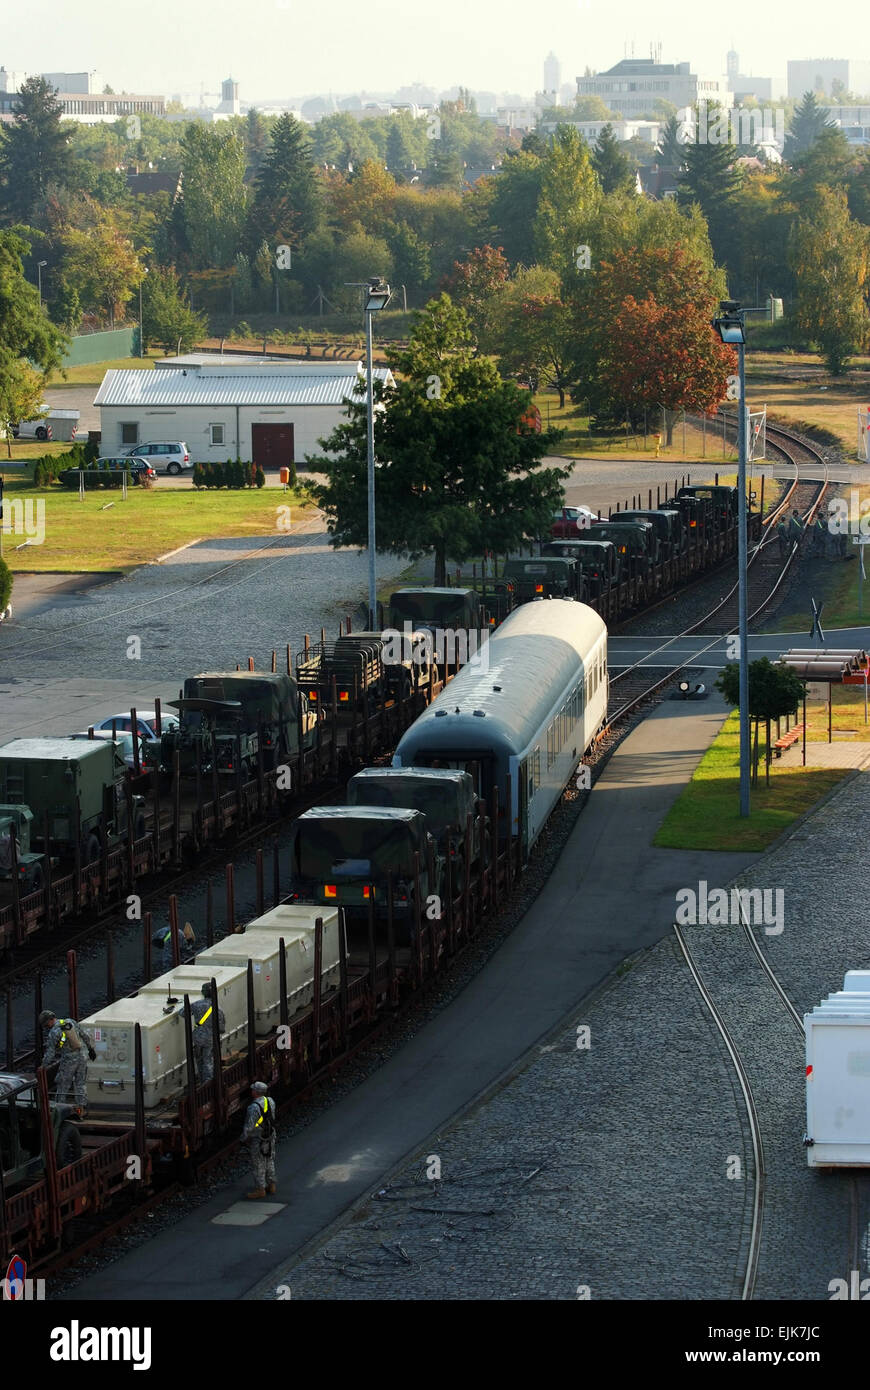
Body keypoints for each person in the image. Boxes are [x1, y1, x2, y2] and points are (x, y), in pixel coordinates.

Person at [40, 1009, 96, 1109]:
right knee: (80, 1084)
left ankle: (59, 1109)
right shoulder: (70, 1021)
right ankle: (82, 1108)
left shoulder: (54, 1032)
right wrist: (90, 1049)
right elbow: (84, 1035)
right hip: (82, 1058)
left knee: (62, 1085)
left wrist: (43, 1066)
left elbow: (50, 1053)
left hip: (68, 1061)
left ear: (49, 1020)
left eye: (45, 1024)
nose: (46, 1026)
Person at [180, 981, 225, 1083]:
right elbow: (222, 1028)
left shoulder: (196, 1005)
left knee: (199, 1060)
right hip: (211, 1039)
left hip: (198, 1038)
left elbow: (182, 1013)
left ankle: (201, 1080)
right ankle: (208, 1082)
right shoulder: (218, 1009)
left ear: (203, 992)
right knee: (208, 1060)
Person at [241, 1080, 277, 1199]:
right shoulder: (270, 1101)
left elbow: (249, 1127)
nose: (251, 1091)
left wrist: (243, 1139)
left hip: (259, 1138)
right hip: (271, 1134)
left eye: (253, 1089)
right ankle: (271, 1184)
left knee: (258, 1164)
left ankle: (260, 1189)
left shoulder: (253, 1108)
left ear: (256, 1092)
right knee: (269, 1159)